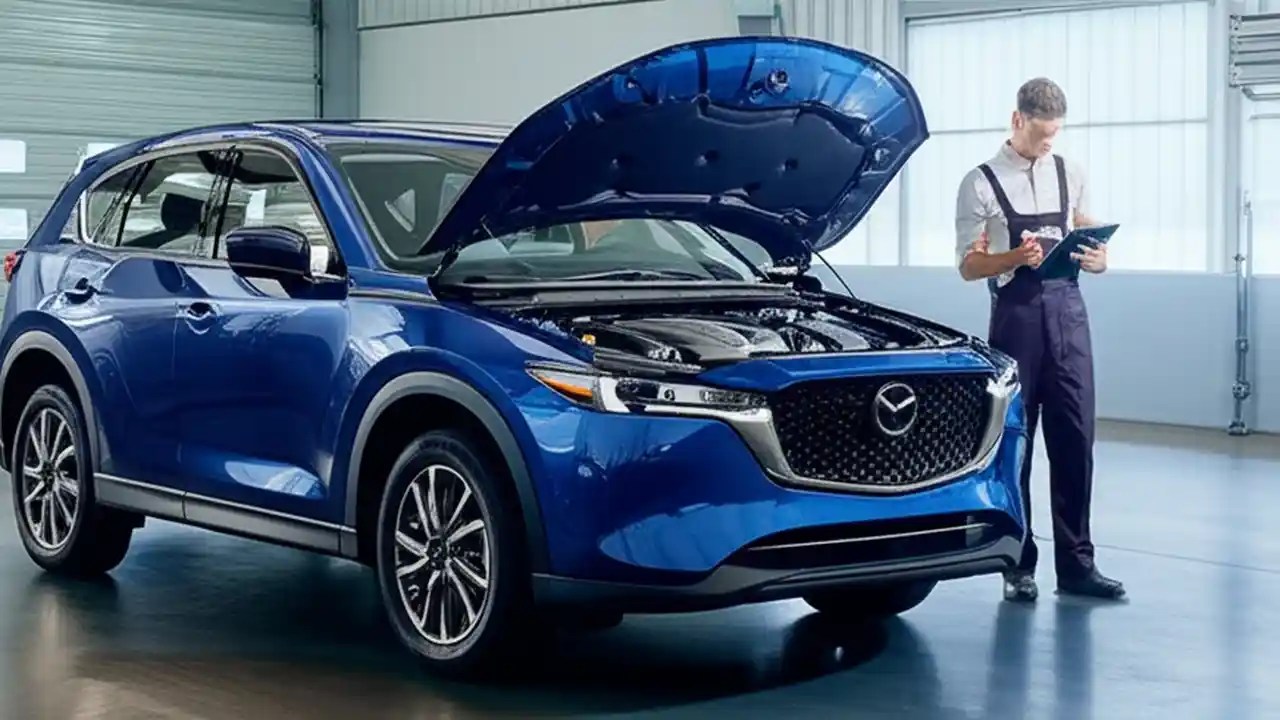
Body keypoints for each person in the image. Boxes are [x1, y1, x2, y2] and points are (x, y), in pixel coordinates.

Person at [954, 77, 1125, 602]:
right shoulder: (979, 183)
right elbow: (967, 265)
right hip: (1016, 318)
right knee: (1017, 444)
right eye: (1041, 135)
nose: (1049, 144)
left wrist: (1100, 260)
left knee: (1076, 440)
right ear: (1017, 120)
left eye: (1055, 135)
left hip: (1070, 315)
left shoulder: (1069, 171)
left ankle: (1077, 566)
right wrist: (1013, 259)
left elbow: (1087, 232)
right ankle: (1017, 564)